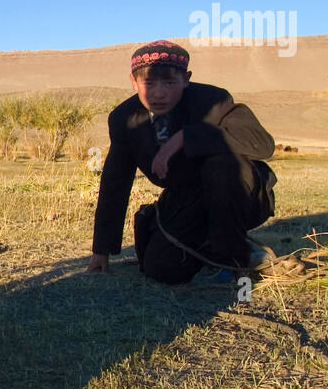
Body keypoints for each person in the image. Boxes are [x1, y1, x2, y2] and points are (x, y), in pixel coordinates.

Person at [88, 40, 277, 284]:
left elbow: (262, 145)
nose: (158, 93)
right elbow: (116, 182)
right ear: (133, 82)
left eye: (168, 83)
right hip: (187, 200)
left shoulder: (214, 101)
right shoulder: (125, 119)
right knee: (161, 268)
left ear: (186, 79)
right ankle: (227, 247)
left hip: (238, 192)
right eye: (149, 83)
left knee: (219, 165)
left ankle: (231, 259)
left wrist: (187, 137)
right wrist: (101, 250)